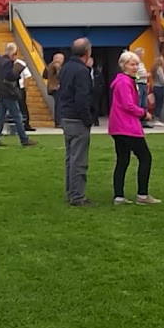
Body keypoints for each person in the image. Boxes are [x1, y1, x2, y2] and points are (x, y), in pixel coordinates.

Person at [108, 52, 160, 206]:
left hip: (119, 126)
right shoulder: (124, 82)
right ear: (123, 65)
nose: (135, 67)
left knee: (122, 160)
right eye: (132, 64)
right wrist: (144, 113)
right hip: (127, 126)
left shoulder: (124, 81)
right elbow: (128, 105)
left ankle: (119, 196)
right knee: (145, 158)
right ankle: (142, 194)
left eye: (136, 64)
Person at [57, 38, 96, 207]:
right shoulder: (82, 71)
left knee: (70, 157)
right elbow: (82, 97)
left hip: (66, 115)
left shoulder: (66, 67)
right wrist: (88, 118)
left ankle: (71, 191)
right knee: (79, 159)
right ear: (87, 52)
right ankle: (77, 195)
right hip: (77, 118)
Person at [0, 43, 38, 148]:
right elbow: (9, 76)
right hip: (9, 93)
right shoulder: (8, 63)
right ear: (14, 53)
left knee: (0, 117)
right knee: (17, 117)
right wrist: (17, 75)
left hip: (1, 92)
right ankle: (24, 139)